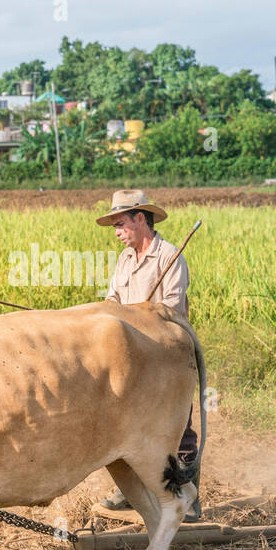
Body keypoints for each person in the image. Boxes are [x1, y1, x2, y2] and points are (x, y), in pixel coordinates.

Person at [94, 189, 202, 522]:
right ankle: (131, 490)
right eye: (114, 225)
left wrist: (138, 315)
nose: (117, 232)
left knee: (177, 426)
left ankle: (188, 495)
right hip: (130, 355)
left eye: (121, 224)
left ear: (141, 219)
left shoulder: (170, 257)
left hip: (167, 355)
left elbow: (170, 310)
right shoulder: (125, 260)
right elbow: (112, 300)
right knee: (128, 422)